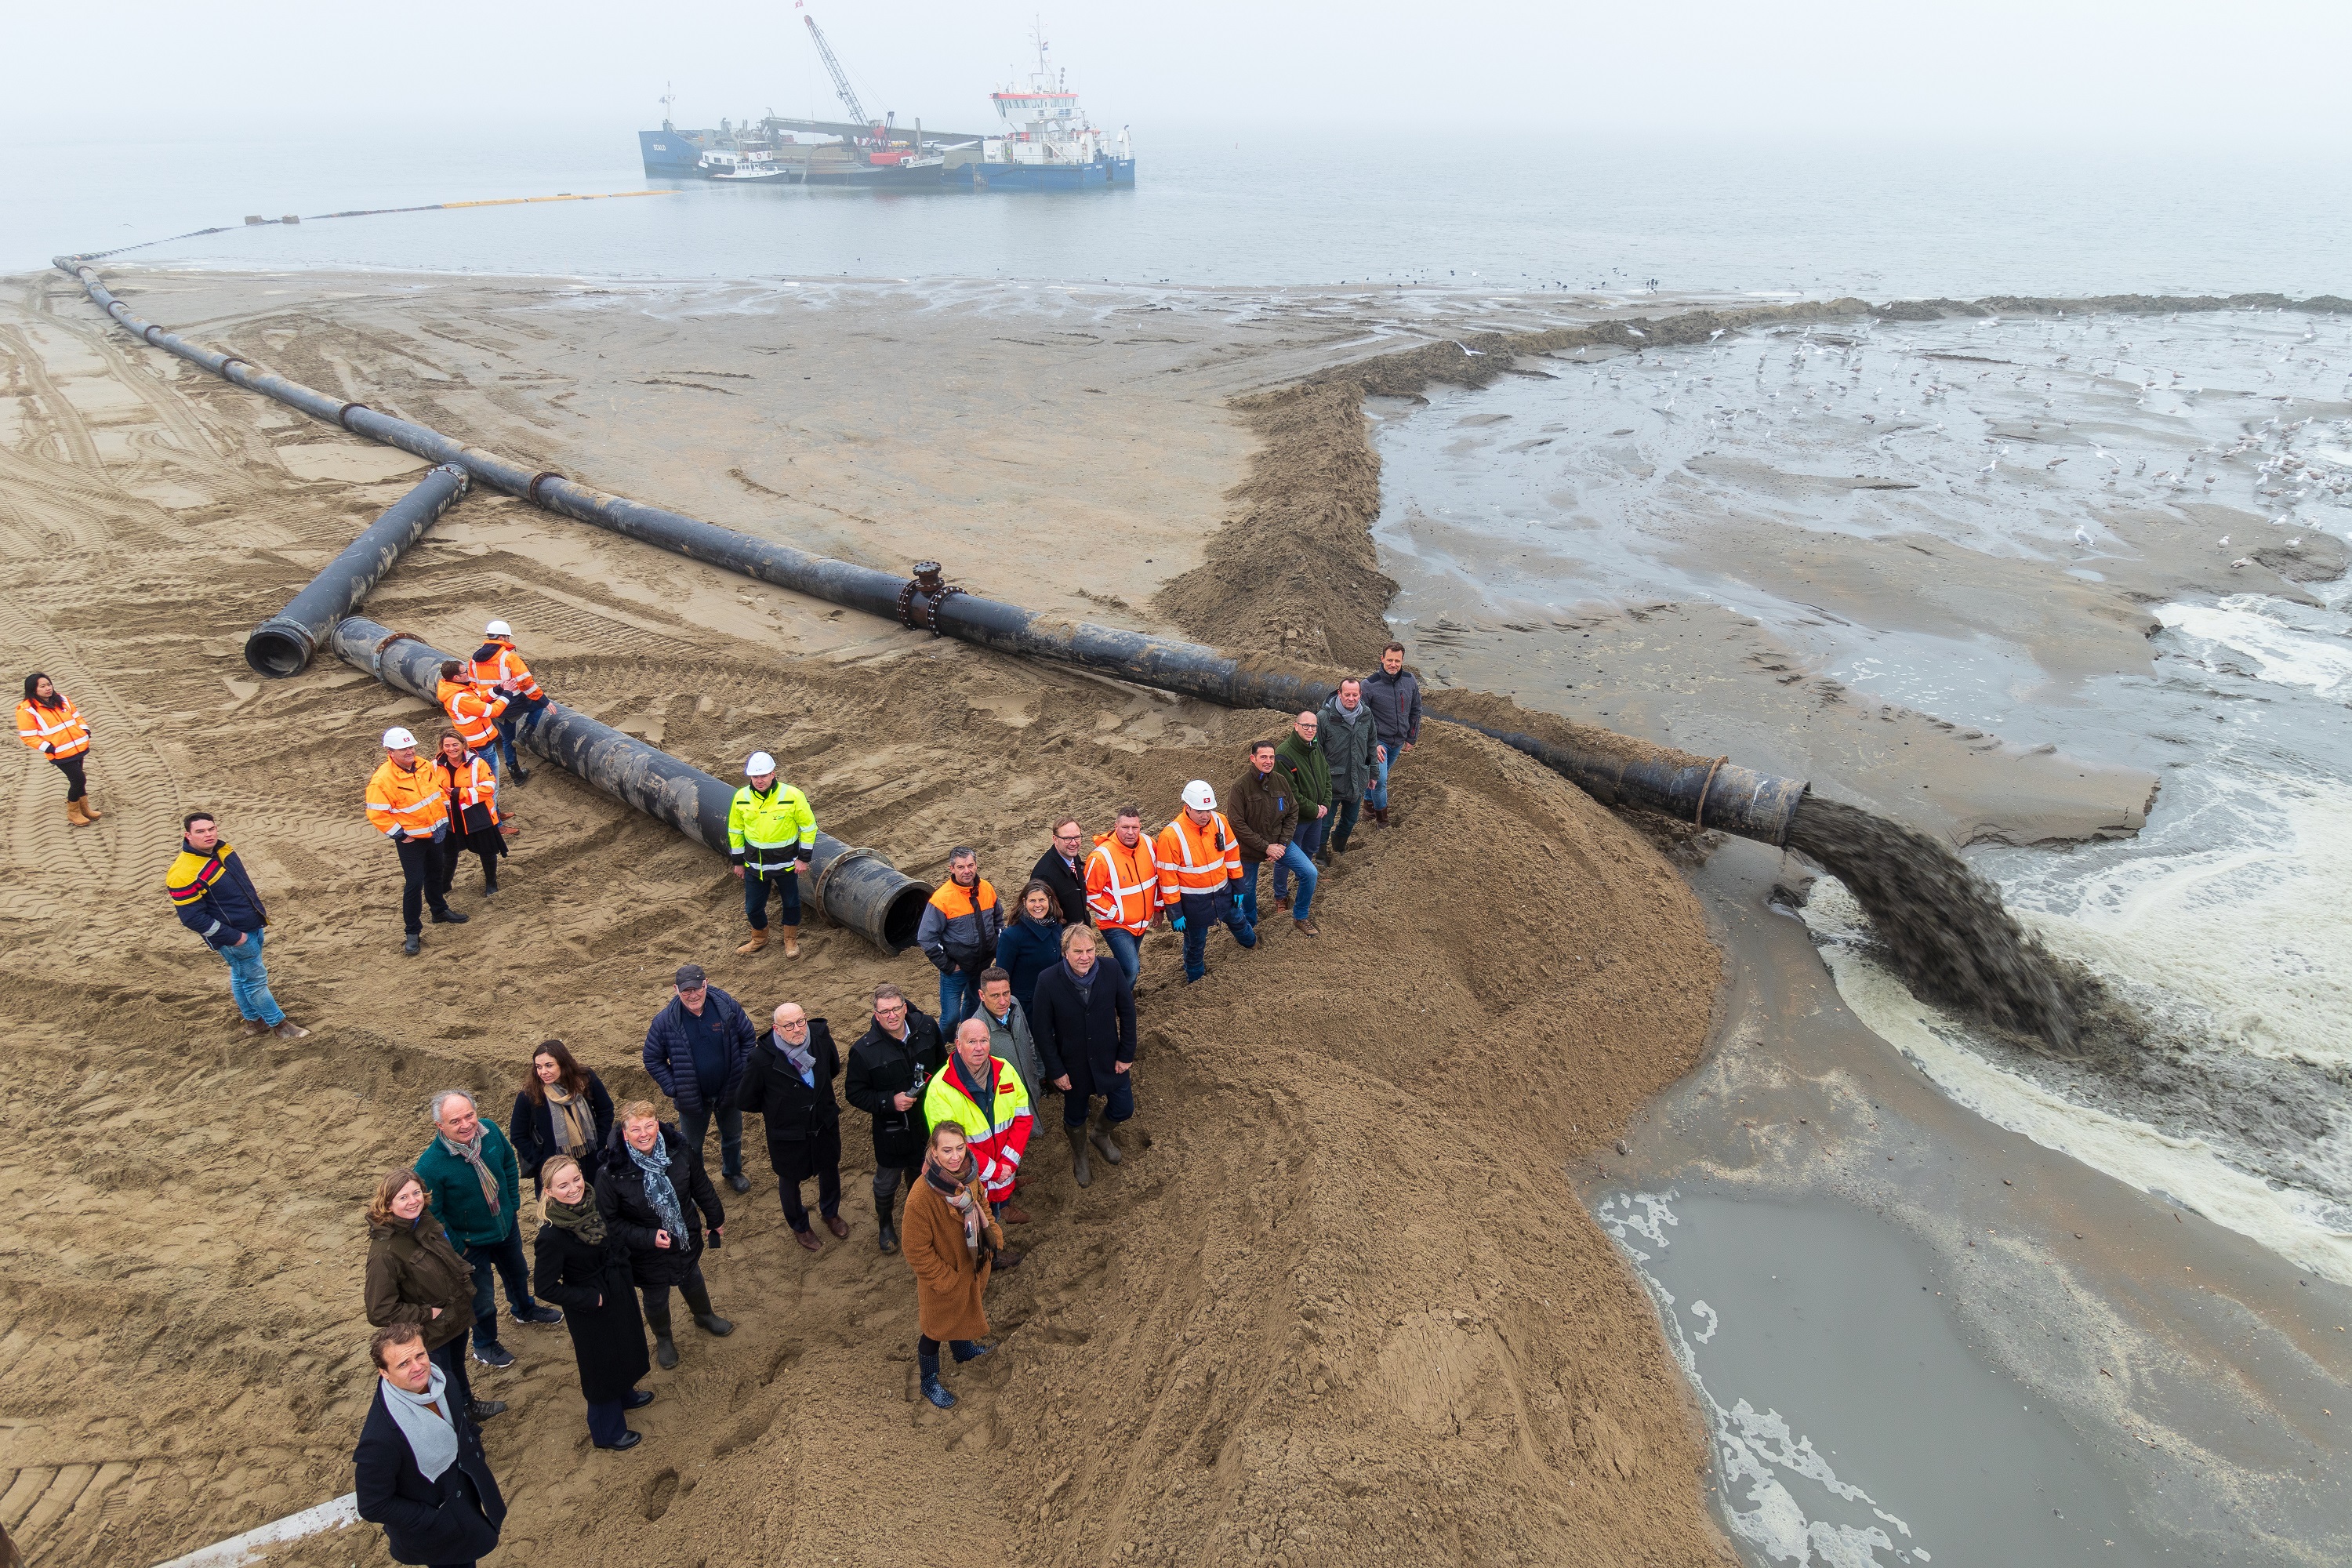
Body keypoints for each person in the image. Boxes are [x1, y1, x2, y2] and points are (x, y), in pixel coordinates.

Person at [414, 1090, 560, 1374]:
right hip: (471, 1244)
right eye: (455, 1121)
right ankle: (484, 1344)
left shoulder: (490, 1131)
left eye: (469, 1115)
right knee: (481, 1298)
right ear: (440, 1126)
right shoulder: (430, 1165)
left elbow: (508, 1162)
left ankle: (524, 1310)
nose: (466, 1124)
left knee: (518, 1272)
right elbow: (432, 1214)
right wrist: (460, 1247)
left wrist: (513, 1204)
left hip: (506, 1227)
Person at [354, 1323, 506, 1568]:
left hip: (465, 1495)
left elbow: (459, 1422)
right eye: (403, 1364)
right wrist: (432, 1519)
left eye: (420, 1354)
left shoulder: (440, 1377)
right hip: (438, 1532)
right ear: (384, 1372)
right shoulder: (380, 1440)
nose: (418, 1368)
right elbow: (373, 1505)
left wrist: (473, 1443)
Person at [530, 1154, 655, 1450]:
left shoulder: (593, 1204)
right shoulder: (551, 1235)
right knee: (601, 1365)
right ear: (548, 1191)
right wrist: (588, 1298)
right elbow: (544, 1287)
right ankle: (607, 1431)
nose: (573, 1189)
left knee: (625, 1342)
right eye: (563, 1185)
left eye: (576, 1180)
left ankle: (625, 1394)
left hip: (617, 1289)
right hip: (590, 1307)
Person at [598, 1101, 732, 1370]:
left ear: (657, 1125)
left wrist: (715, 1218)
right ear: (625, 1134)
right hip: (646, 1253)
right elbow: (610, 1223)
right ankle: (664, 1338)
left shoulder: (680, 1151)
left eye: (649, 1125)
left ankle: (703, 1315)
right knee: (656, 1297)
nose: (644, 1133)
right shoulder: (611, 1173)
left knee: (692, 1276)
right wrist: (648, 1237)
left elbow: (701, 1185)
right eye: (635, 1129)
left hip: (685, 1236)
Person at [364, 1169, 500, 1425]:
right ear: (388, 1204)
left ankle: (468, 1407)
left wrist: (463, 1273)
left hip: (455, 1316)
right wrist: (427, 1314)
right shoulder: (384, 1252)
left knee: (456, 1367)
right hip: (429, 1333)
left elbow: (445, 1256)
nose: (413, 1201)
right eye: (403, 1198)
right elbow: (379, 1310)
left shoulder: (424, 1220)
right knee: (437, 1381)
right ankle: (455, 1426)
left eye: (416, 1193)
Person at [168, 810, 307, 1040]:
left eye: (211, 829)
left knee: (241, 976)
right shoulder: (182, 874)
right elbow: (191, 918)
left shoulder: (223, 850)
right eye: (200, 831)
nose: (209, 835)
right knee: (255, 982)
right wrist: (232, 937)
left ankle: (254, 1022)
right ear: (187, 835)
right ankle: (281, 1027)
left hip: (251, 926)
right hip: (234, 937)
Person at [902, 1121, 1007, 1410]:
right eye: (946, 1150)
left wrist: (993, 1235)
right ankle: (929, 1380)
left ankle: (962, 1351)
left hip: (972, 1265)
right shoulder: (921, 1196)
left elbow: (983, 1204)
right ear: (933, 1153)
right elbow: (915, 1250)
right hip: (944, 1278)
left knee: (966, 1311)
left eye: (959, 1148)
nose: (955, 1156)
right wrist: (946, 1279)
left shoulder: (970, 1174)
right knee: (934, 1331)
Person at [731, 1001, 849, 1252]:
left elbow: (833, 1068)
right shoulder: (761, 1058)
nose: (797, 1029)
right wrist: (779, 1111)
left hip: (824, 1123)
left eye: (800, 1022)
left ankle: (830, 1213)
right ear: (777, 1029)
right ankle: (800, 1226)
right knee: (789, 1181)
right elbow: (745, 1100)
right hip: (787, 1135)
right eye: (789, 1025)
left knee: (829, 1169)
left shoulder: (820, 1037)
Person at [1029, 924, 1138, 1188]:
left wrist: (1126, 1053)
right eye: (1078, 951)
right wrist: (1056, 1071)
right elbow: (1042, 1031)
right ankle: (1080, 1155)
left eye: (1090, 950)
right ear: (1065, 952)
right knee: (1075, 1115)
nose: (1085, 957)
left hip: (1110, 1059)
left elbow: (1127, 1012)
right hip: (1073, 1066)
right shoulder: (1048, 980)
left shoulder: (1111, 970)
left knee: (1124, 1107)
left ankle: (1100, 1135)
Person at [844, 983, 946, 1254]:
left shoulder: (926, 1027)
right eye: (885, 1011)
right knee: (886, 1181)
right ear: (876, 1015)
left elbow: (941, 1066)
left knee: (920, 1173)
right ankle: (886, 1222)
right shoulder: (864, 1050)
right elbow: (854, 1093)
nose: (892, 1016)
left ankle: (917, 1218)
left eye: (896, 1009)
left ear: (905, 1007)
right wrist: (890, 1101)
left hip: (926, 1122)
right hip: (891, 1130)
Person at [640, 964, 757, 1194]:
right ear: (676, 989)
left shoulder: (726, 1007)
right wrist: (675, 1087)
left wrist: (740, 1073)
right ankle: (697, 1184)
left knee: (732, 1137)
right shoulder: (665, 1022)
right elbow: (652, 1059)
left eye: (697, 988)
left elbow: (748, 1038)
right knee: (692, 1146)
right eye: (686, 991)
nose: (693, 995)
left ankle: (733, 1171)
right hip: (692, 1099)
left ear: (706, 983)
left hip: (729, 1091)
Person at [923, 1018, 1035, 1225]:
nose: (979, 1048)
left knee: (1004, 1182)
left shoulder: (1005, 1070)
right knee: (979, 1214)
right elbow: (950, 1147)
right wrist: (995, 1170)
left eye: (984, 1041)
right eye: (971, 1042)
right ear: (958, 1044)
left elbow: (1023, 1117)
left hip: (1005, 1161)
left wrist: (1009, 1162)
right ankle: (993, 1219)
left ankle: (1004, 1205)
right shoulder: (940, 1090)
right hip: (970, 1171)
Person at [368, 726, 467, 956]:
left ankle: (439, 911)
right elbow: (377, 814)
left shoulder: (423, 765)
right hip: (412, 840)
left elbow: (437, 791)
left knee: (436, 874)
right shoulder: (382, 780)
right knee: (414, 884)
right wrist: (402, 835)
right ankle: (412, 933)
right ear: (390, 752)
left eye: (411, 746)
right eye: (404, 749)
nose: (410, 751)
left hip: (436, 831)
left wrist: (443, 815)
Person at [1154, 780, 1254, 984]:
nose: (1205, 816)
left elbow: (1232, 854)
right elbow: (1168, 878)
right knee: (1195, 943)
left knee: (1238, 921)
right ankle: (1196, 979)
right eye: (1200, 811)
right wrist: (1175, 912)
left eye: (1208, 810)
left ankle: (1253, 946)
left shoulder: (1220, 821)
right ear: (1187, 807)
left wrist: (1238, 886)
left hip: (1224, 893)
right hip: (1194, 903)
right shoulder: (1171, 835)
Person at [727, 750, 817, 957]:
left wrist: (803, 859)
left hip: (786, 865)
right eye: (755, 777)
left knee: (791, 904)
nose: (759, 780)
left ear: (773, 774)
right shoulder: (741, 797)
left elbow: (809, 827)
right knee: (752, 908)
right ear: (750, 777)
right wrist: (738, 862)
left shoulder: (792, 796)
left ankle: (790, 941)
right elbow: (735, 831)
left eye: (763, 776)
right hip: (754, 867)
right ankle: (759, 938)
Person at [1230, 739, 1319, 937]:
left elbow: (1292, 812)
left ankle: (1301, 916)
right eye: (1263, 757)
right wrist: (1265, 847)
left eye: (1271, 757)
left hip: (1280, 843)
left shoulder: (1281, 780)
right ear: (1253, 758)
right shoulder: (1240, 786)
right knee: (1247, 890)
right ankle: (1250, 925)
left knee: (1310, 873)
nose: (1268, 761)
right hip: (1250, 848)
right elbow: (1237, 824)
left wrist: (1282, 843)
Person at [509, 1040, 613, 1197]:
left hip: (591, 1162)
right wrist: (542, 1162)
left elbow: (606, 1110)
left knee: (596, 1209)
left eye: (549, 1065)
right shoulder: (529, 1096)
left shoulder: (585, 1080)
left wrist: (599, 1144)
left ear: (563, 1064)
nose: (543, 1072)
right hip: (554, 1172)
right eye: (538, 1067)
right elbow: (518, 1135)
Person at [916, 846, 1001, 1036]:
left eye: (971, 865)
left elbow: (998, 919)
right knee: (950, 1018)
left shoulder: (987, 888)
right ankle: (943, 1043)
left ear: (976, 865)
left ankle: (965, 1038)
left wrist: (997, 945)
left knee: (973, 1006)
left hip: (983, 965)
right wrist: (948, 965)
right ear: (951, 869)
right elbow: (926, 937)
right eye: (961, 867)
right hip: (956, 970)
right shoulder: (941, 899)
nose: (967, 871)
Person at [1084, 805, 1160, 985]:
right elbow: (1090, 895)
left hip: (1141, 922)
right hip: (1116, 924)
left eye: (1135, 827)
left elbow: (1158, 880)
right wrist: (1117, 914)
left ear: (1140, 826)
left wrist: (1159, 909)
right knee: (1132, 968)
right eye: (1125, 827)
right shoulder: (1100, 857)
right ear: (1116, 826)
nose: (1130, 832)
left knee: (1125, 966)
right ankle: (1122, 1002)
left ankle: (1112, 993)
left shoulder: (1150, 844)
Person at [430, 732, 507, 902]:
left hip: (477, 814)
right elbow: (430, 789)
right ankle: (445, 884)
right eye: (447, 746)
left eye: (455, 745)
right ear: (442, 747)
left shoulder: (478, 763)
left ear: (463, 745)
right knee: (448, 853)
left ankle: (491, 884)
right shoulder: (434, 766)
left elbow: (489, 788)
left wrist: (462, 793)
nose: (451, 749)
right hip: (449, 816)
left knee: (487, 852)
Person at [469, 620, 547, 783]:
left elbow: (473, 686)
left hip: (494, 707)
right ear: (503, 638)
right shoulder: (508, 657)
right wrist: (544, 700)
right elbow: (526, 682)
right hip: (514, 703)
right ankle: (524, 737)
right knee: (539, 705)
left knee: (506, 739)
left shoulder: (473, 661)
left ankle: (516, 775)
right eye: (508, 638)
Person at [17, 672, 98, 826]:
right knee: (79, 779)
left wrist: (85, 731)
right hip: (59, 753)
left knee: (78, 780)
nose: (48, 688)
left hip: (78, 747)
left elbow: (77, 717)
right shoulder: (27, 710)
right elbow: (28, 736)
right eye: (43, 686)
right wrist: (49, 747)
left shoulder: (62, 699)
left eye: (49, 684)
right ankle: (73, 812)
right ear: (33, 690)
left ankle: (84, 809)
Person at [1363, 641, 1423, 827]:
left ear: (1402, 661)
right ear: (1382, 659)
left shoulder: (1409, 680)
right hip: (1378, 742)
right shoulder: (1369, 685)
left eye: (1397, 661)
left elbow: (1416, 710)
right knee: (1381, 781)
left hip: (1397, 742)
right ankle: (1383, 822)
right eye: (1389, 660)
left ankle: (1368, 810)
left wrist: (1411, 737)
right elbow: (1361, 718)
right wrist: (1372, 743)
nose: (1393, 664)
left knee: (1378, 777)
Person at [1274, 709, 1334, 892]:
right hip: (1296, 820)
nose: (1310, 730)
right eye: (1306, 725)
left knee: (1309, 850)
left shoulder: (1315, 747)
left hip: (1317, 816)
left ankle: (1304, 881)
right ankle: (1280, 895)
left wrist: (1325, 804)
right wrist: (1315, 809)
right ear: (1296, 726)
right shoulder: (1284, 754)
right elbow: (1290, 794)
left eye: (1313, 726)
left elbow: (1326, 777)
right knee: (1286, 858)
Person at [1317, 678, 1377, 858]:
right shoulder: (1324, 717)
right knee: (1325, 822)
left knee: (1350, 820)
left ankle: (1339, 845)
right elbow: (1317, 751)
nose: (1351, 699)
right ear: (1339, 694)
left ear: (1360, 695)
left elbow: (1372, 744)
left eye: (1355, 695)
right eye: (1347, 695)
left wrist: (1373, 773)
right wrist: (1319, 781)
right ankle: (1320, 855)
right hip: (1332, 782)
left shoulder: (1366, 715)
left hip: (1357, 778)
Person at [992, 878, 1065, 1017]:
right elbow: (1003, 976)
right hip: (1028, 1007)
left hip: (1056, 998)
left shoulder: (1056, 926)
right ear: (1024, 902)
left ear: (1049, 900)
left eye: (1042, 900)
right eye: (1032, 901)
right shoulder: (1011, 936)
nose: (1038, 905)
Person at [973, 967, 1046, 1106]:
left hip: (1031, 1087)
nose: (1003, 1001)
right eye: (995, 996)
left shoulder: (1015, 1004)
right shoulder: (977, 1029)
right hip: (1006, 1101)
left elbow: (1028, 1038)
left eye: (1006, 993)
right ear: (982, 995)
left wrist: (1033, 1071)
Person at [434, 661, 506, 781]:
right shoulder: (461, 698)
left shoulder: (458, 690)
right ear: (456, 677)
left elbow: (478, 698)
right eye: (465, 672)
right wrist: (508, 694)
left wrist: (499, 689)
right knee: (490, 784)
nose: (468, 674)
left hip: (477, 745)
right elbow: (492, 711)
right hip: (481, 747)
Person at [1031, 818, 1094, 931]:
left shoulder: (1073, 857)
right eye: (1067, 839)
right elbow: (1043, 917)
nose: (1074, 843)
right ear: (1055, 839)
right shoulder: (1043, 875)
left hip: (1081, 931)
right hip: (1064, 941)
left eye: (1077, 837)